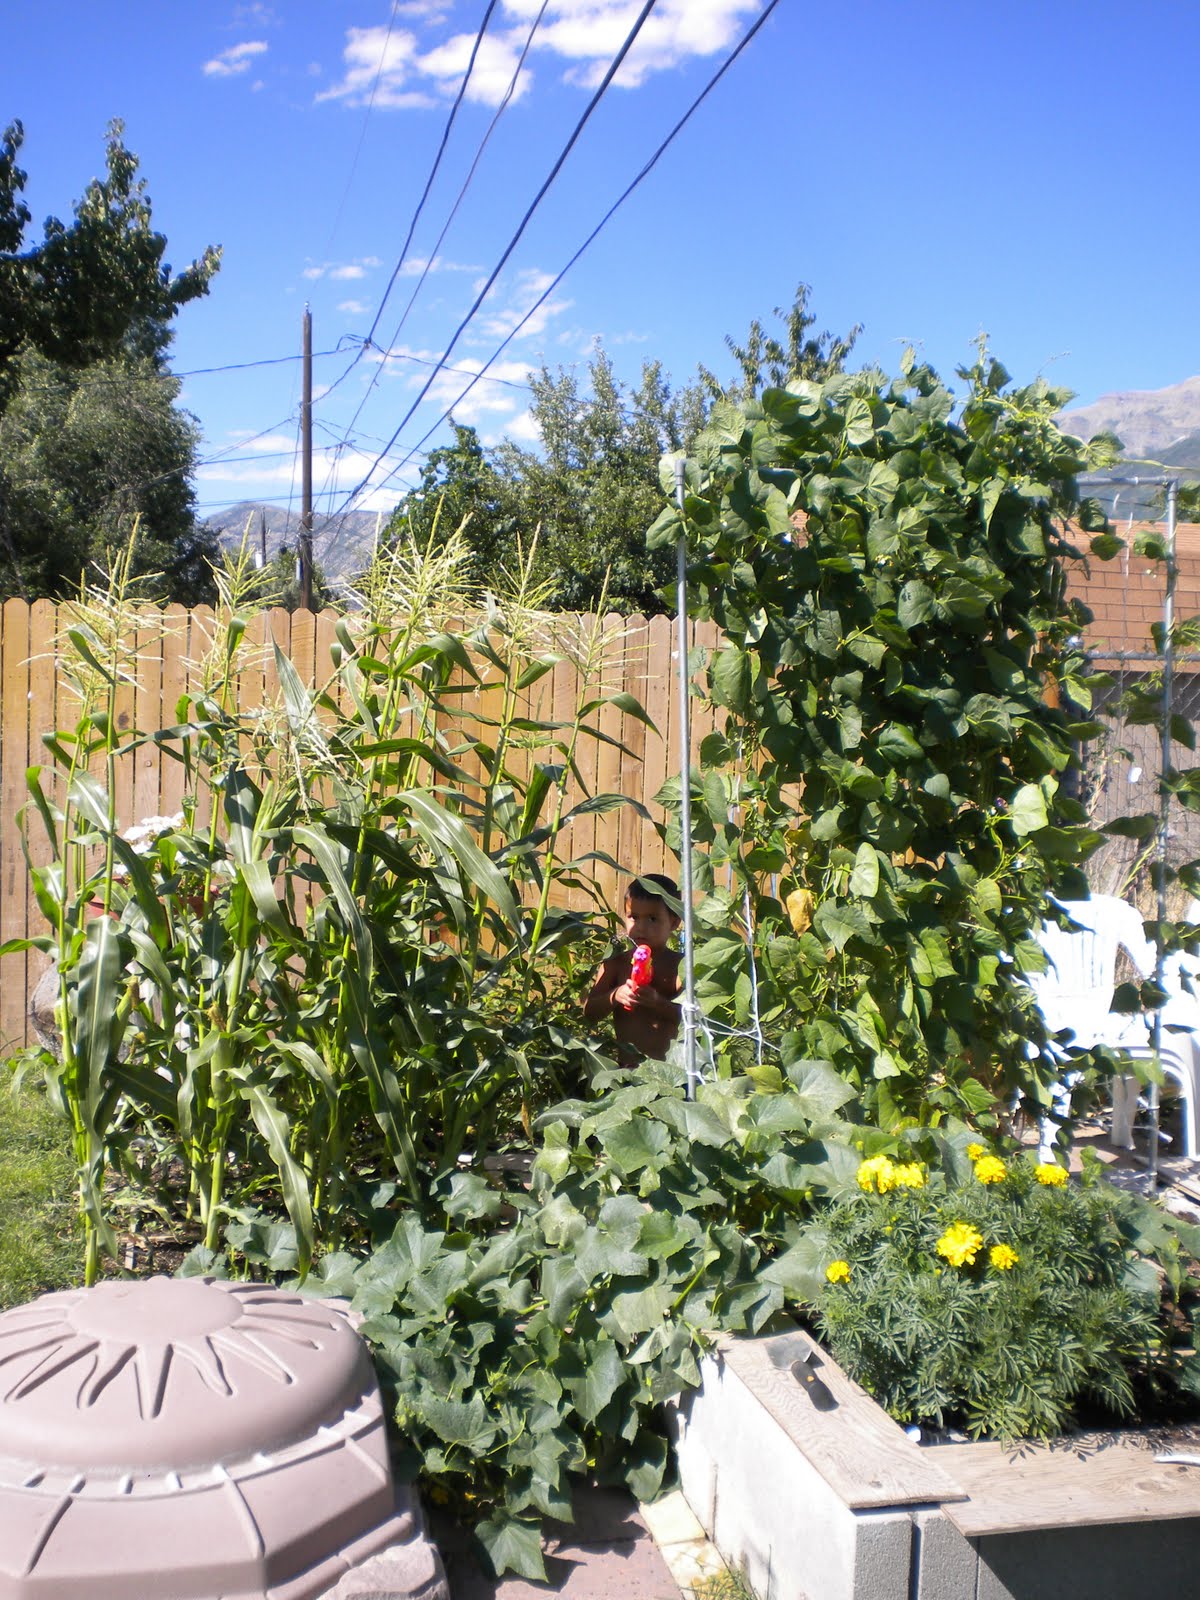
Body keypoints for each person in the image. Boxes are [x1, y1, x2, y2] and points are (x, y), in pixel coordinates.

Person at [584, 873, 682, 1066]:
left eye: (652, 919)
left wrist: (658, 1003)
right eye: (633, 917)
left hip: (671, 1072)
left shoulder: (679, 966)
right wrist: (615, 996)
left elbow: (690, 1017)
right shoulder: (616, 964)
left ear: (674, 923)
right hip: (628, 1071)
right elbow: (589, 1011)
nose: (641, 927)